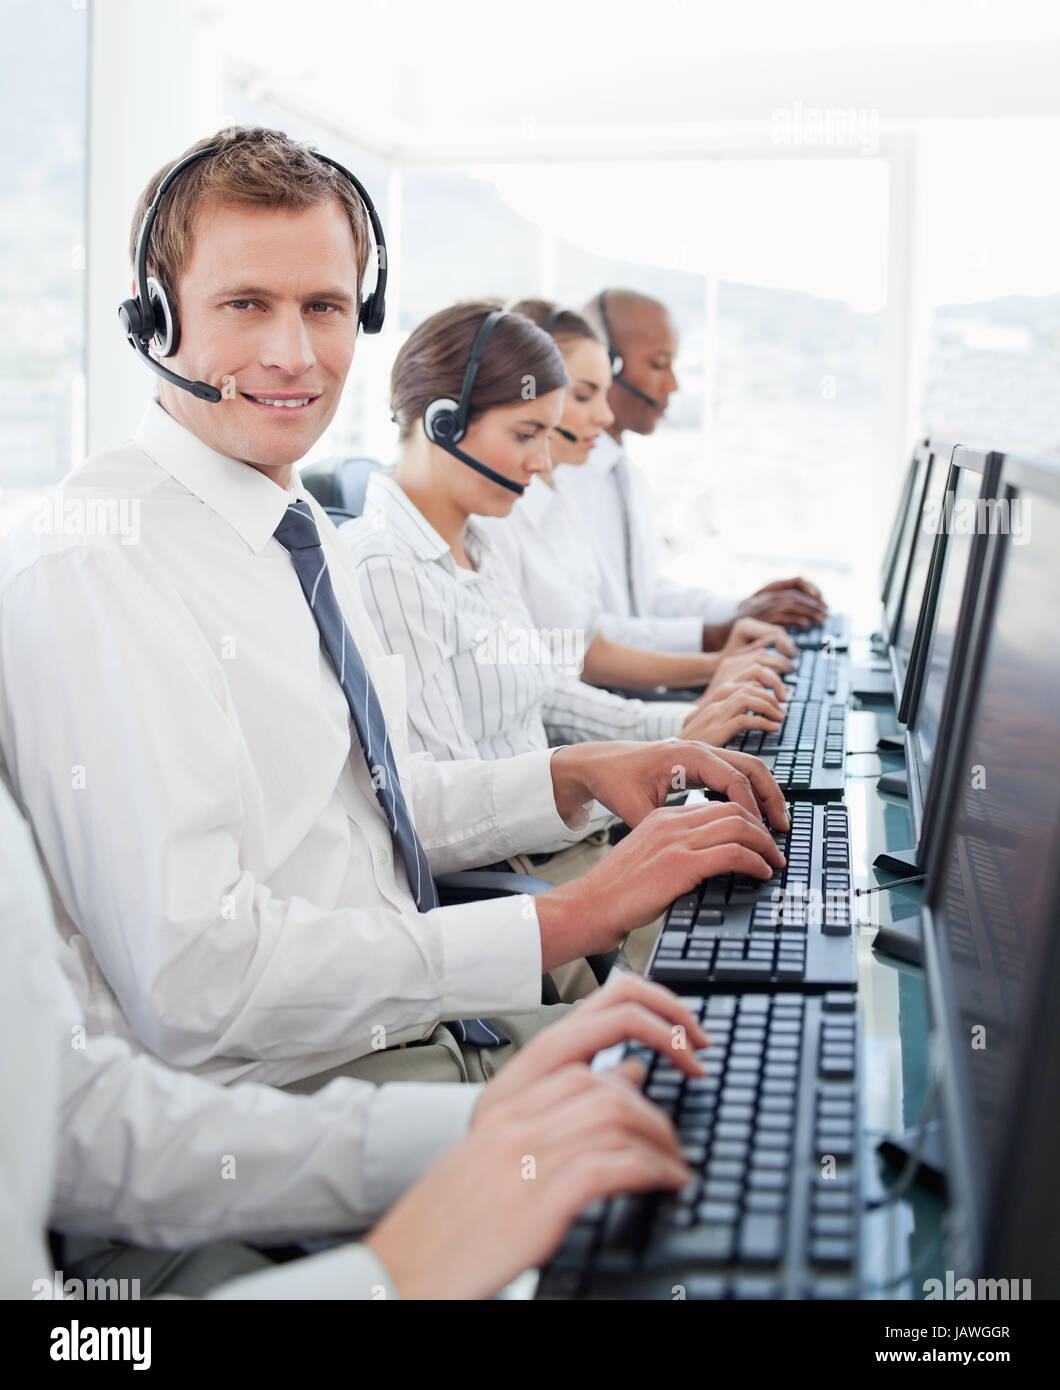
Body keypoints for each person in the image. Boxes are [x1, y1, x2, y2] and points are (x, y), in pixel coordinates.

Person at [0, 127, 788, 1097]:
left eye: (324, 306)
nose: (294, 354)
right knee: (712, 1139)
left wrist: (576, 769)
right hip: (289, 1101)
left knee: (755, 1060)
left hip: (414, 1026)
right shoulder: (100, 562)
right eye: (246, 304)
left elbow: (371, 806)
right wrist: (568, 918)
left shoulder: (295, 528)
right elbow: (197, 981)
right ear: (152, 320)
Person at [0, 774, 704, 1301]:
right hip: (285, 1094)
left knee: (683, 1138)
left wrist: (472, 1127)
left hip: (320, 1097)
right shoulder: (79, 584)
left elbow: (70, 1118)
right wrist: (385, 1278)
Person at [342, 301, 792, 789]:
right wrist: (623, 778)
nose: (540, 462)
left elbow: (544, 689)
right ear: (442, 425)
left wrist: (675, 733)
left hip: (563, 834)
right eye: (525, 434)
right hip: (533, 855)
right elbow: (450, 797)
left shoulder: (476, 543)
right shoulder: (387, 568)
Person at [480, 299, 798, 699]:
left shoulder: (581, 488)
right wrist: (711, 655)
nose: (604, 415)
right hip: (607, 704)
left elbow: (618, 614)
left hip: (618, 702)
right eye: (582, 395)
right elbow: (572, 657)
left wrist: (734, 619)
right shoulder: (514, 506)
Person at [553, 288, 829, 653]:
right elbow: (578, 638)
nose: (673, 385)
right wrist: (714, 637)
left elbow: (646, 594)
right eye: (658, 364)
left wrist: (742, 610)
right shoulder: (556, 475)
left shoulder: (627, 474)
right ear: (609, 363)